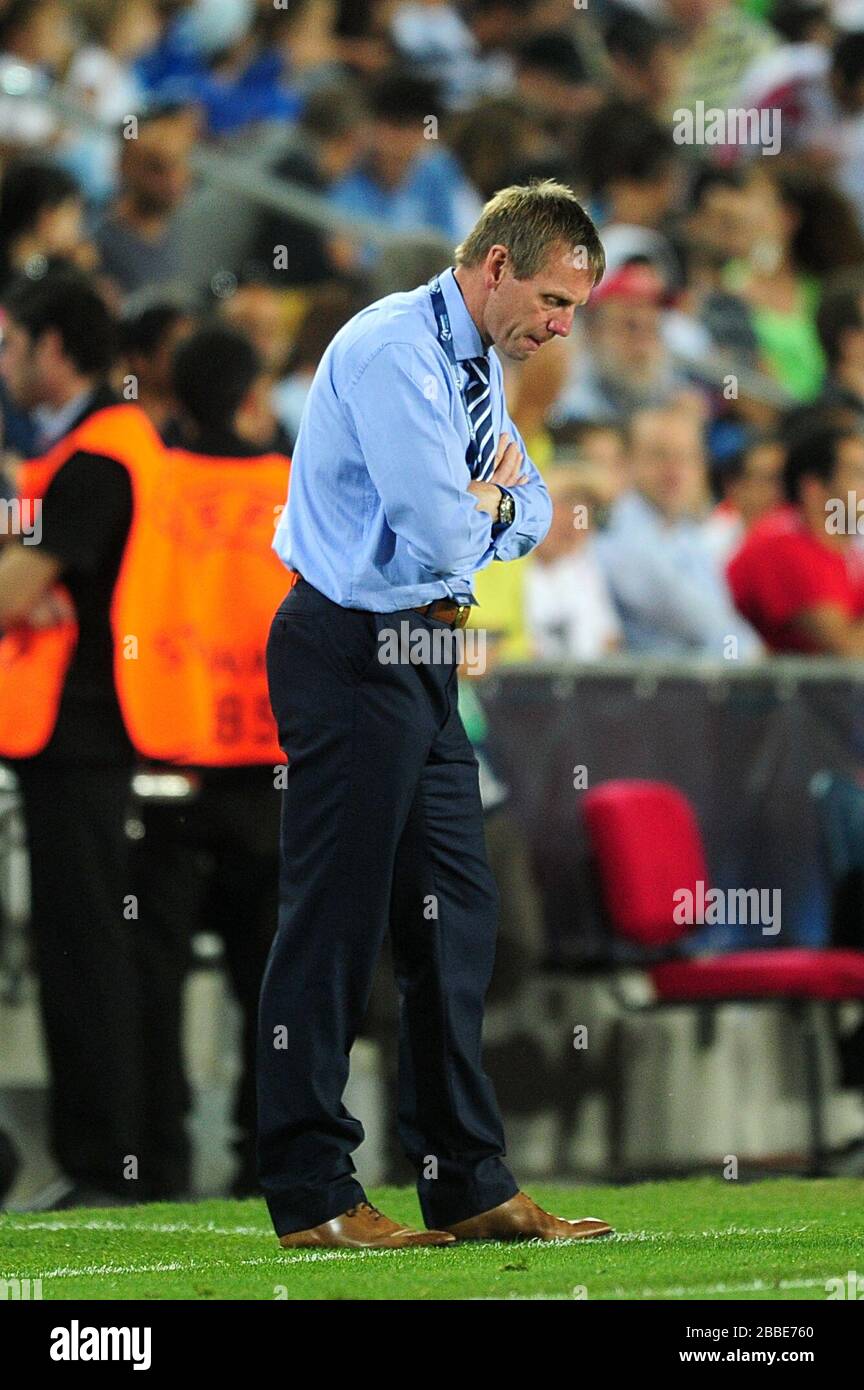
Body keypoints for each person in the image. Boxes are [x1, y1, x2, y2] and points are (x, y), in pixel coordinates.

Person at [258, 179, 614, 1249]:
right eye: (552, 300)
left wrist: (497, 505)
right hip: (351, 647)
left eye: (573, 314)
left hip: (422, 657)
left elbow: (534, 508)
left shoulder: (468, 367)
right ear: (495, 264)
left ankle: (466, 1178)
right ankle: (313, 1190)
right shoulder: (392, 351)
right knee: (336, 923)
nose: (558, 329)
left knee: (457, 920)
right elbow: (432, 529)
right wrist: (495, 505)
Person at [0, 268, 166, 1206]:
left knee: (85, 948)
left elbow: (18, 592)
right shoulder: (99, 447)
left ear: (55, 348)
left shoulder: (98, 457)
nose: (6, 361)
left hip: (86, 730)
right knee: (93, 944)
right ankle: (113, 1159)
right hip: (89, 726)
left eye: (15, 343)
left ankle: (102, 1164)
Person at [131, 324, 293, 1198]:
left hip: (168, 774)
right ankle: (272, 1171)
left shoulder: (152, 482)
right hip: (274, 776)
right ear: (249, 398)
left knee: (152, 987)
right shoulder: (292, 487)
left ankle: (153, 1162)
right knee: (273, 995)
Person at [728, 421, 864, 654]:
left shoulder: (849, 551)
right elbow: (848, 651)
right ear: (814, 488)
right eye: (858, 474)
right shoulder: (780, 547)